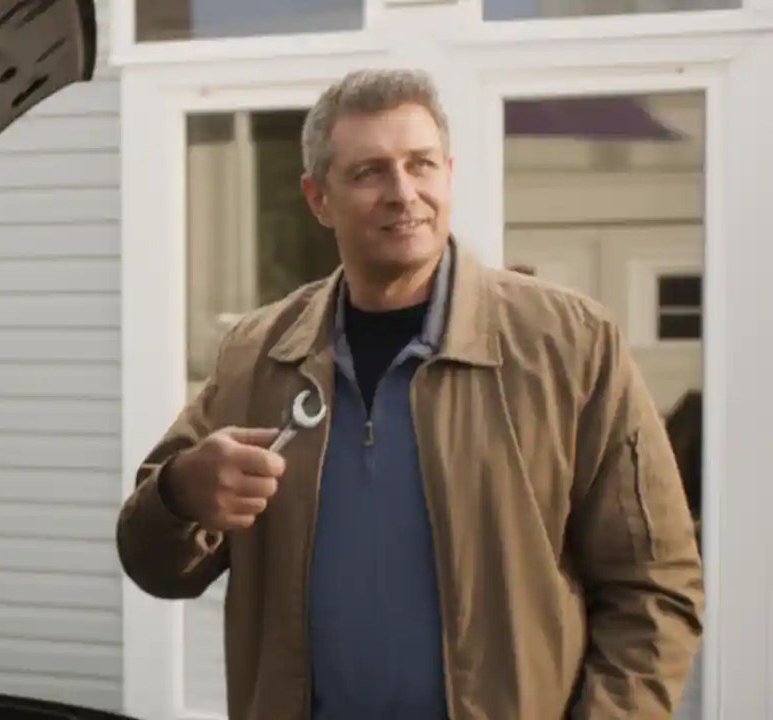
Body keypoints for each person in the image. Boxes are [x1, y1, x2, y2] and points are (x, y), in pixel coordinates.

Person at [115, 68, 703, 720]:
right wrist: (179, 494)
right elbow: (153, 563)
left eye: (420, 164)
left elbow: (655, 587)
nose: (403, 193)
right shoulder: (258, 355)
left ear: (448, 173)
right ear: (318, 198)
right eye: (369, 172)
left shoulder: (571, 344)